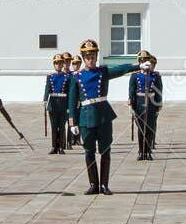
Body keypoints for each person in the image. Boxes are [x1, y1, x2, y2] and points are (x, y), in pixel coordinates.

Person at [68, 40, 138, 194]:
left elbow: (119, 69)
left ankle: (104, 185)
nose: (90, 59)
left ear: (96, 56)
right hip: (85, 117)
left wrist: (138, 65)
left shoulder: (103, 72)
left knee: (106, 150)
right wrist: (72, 122)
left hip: (103, 115)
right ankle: (94, 184)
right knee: (89, 151)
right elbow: (72, 101)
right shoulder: (76, 77)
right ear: (83, 58)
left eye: (92, 56)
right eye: (87, 56)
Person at [127, 49, 163, 161]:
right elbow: (132, 91)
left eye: (146, 60)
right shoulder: (135, 76)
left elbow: (159, 91)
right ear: (139, 62)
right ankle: (141, 151)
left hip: (151, 104)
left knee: (150, 128)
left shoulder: (155, 76)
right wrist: (131, 105)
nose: (144, 62)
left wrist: (159, 104)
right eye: (142, 61)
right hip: (139, 103)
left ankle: (148, 151)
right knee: (141, 129)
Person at [42, 53, 72, 153]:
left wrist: (69, 105)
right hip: (53, 104)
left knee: (62, 126)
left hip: (63, 104)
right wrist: (45, 100)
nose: (58, 65)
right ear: (54, 65)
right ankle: (54, 146)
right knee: (54, 126)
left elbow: (69, 91)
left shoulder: (67, 77)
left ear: (62, 64)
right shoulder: (50, 77)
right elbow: (47, 89)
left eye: (59, 63)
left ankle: (61, 147)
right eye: (56, 63)